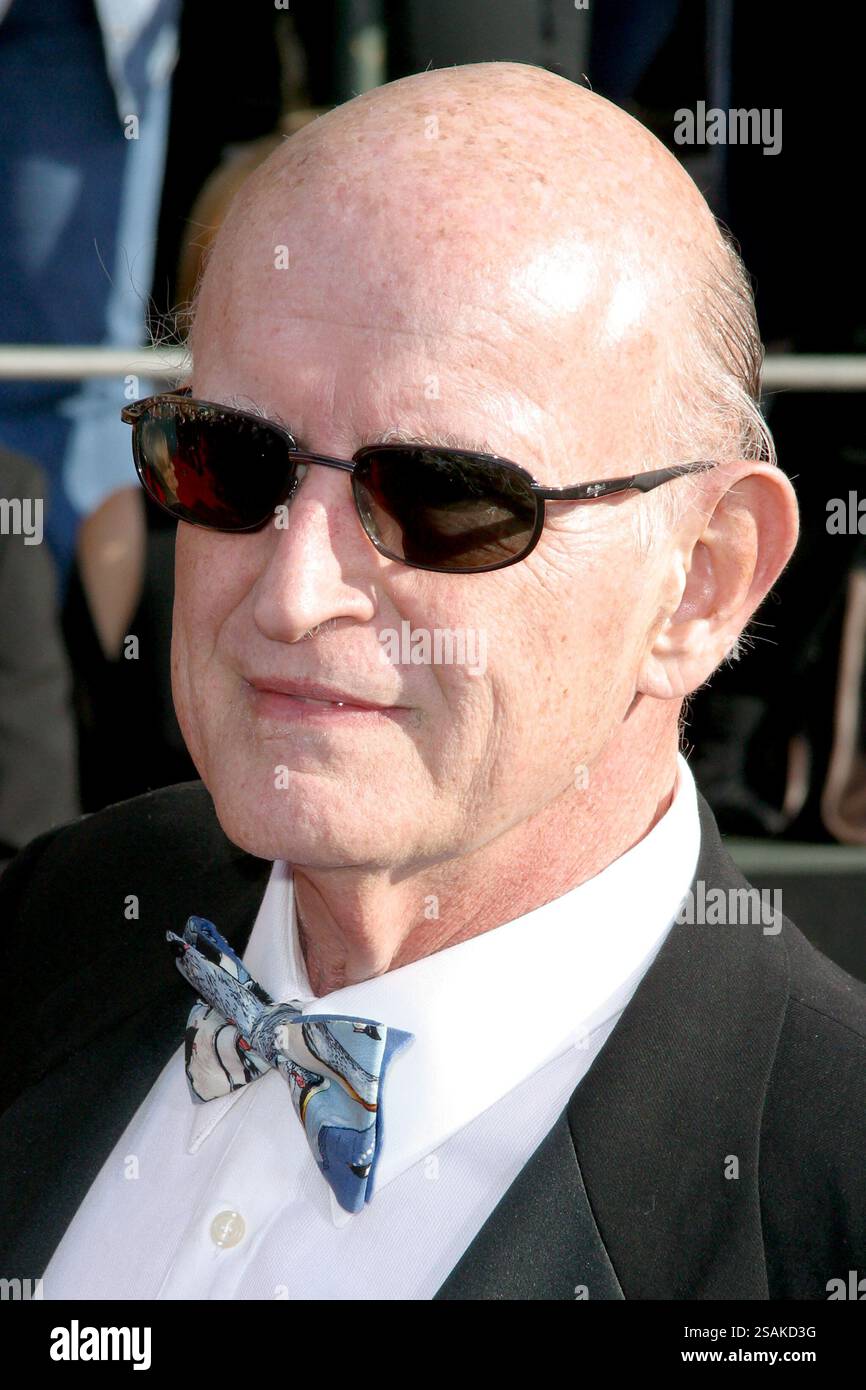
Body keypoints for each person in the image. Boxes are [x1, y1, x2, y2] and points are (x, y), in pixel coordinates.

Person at [1, 62, 864, 1301]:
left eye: (442, 498)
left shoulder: (820, 1205)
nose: (292, 592)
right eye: (227, 460)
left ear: (698, 584)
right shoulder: (54, 926)